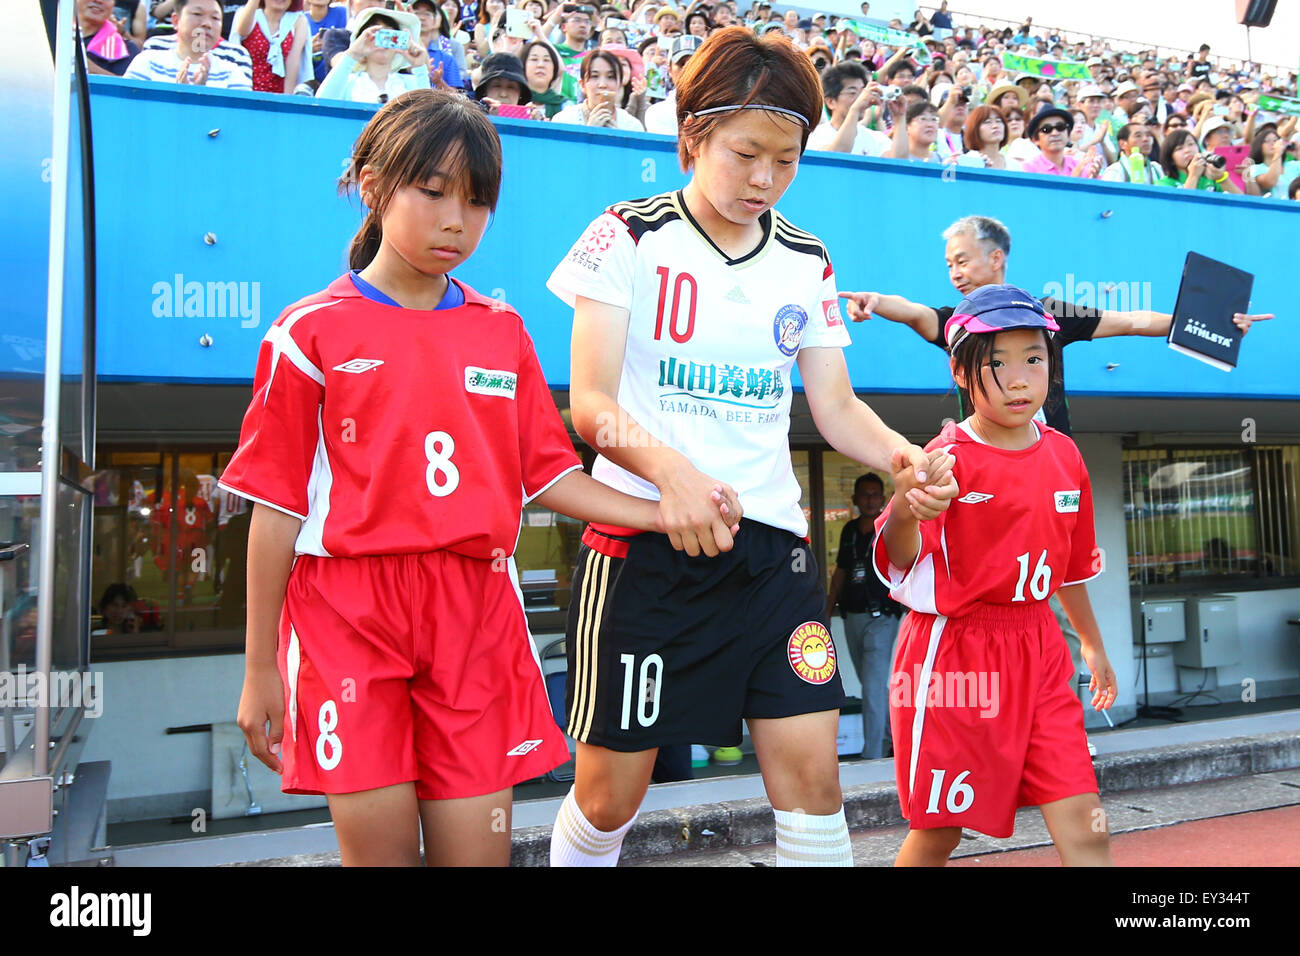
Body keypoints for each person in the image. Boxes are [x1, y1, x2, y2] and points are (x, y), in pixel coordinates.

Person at [226, 90, 728, 867]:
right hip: (348, 615)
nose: (456, 220)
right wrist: (260, 668)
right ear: (372, 184)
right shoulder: (308, 332)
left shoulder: (501, 332)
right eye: (432, 192)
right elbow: (275, 511)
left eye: (477, 200)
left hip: (473, 611)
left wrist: (666, 510)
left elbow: (547, 478)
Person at [545, 26, 957, 869]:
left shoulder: (807, 259)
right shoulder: (626, 235)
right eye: (745, 154)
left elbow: (837, 408)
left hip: (773, 561)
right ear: (693, 134)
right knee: (607, 799)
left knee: (815, 786)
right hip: (646, 554)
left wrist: (901, 457)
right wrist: (675, 479)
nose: (765, 180)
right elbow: (590, 404)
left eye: (787, 159)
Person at [875, 284, 1118, 866]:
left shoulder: (1066, 455)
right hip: (957, 655)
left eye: (1034, 359)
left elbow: (1069, 568)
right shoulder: (946, 455)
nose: (1018, 379)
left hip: (1041, 650)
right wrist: (909, 504)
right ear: (960, 371)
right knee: (941, 832)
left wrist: (1091, 643)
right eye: (997, 363)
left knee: (1087, 826)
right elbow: (902, 558)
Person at [838, 215, 1273, 436]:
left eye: (963, 260)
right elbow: (913, 311)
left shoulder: (1048, 313)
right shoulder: (958, 322)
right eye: (949, 263)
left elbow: (1132, 320)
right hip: (985, 454)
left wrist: (1210, 321)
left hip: (1049, 450)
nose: (955, 271)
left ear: (996, 258)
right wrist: (875, 302)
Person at [825, 473, 902, 760]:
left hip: (882, 617)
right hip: (852, 616)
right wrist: (827, 609)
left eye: (875, 494)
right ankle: (893, 739)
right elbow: (841, 572)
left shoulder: (891, 528)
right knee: (871, 683)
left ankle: (873, 757)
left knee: (871, 687)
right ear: (856, 499)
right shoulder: (849, 531)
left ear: (883, 499)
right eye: (865, 494)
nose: (870, 500)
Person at [127, 0, 253, 87]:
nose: (207, 24)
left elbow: (240, 120)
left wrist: (199, 95)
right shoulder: (147, 62)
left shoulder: (233, 73)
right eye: (197, 14)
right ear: (176, 21)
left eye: (215, 18)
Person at [316, 8, 431, 102]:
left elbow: (429, 113)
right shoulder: (349, 81)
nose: (382, 43)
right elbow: (323, 101)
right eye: (376, 36)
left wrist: (419, 67)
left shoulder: (409, 83)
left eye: (390, 36)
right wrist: (353, 54)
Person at [805, 61, 890, 157]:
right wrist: (855, 110)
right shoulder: (815, 136)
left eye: (862, 92)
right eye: (852, 92)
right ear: (831, 102)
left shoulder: (876, 138)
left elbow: (899, 162)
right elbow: (835, 158)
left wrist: (900, 117)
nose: (860, 98)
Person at [552, 49, 645, 130]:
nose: (602, 84)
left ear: (620, 84)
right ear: (582, 85)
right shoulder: (563, 120)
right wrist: (588, 134)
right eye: (594, 76)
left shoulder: (632, 126)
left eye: (610, 77)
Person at [232, 0, 310, 93]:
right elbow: (242, 31)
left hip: (278, 95)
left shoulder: (298, 20)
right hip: (246, 91)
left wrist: (286, 100)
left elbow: (293, 63)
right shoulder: (250, 14)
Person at [643, 34, 700, 135]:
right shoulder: (658, 113)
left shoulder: (722, 111)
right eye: (682, 64)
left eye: (695, 64)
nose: (688, 71)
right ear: (669, 69)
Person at [1155, 129, 1242, 193]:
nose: (1187, 150)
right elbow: (1183, 207)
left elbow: (1241, 202)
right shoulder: (1164, 183)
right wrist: (1193, 175)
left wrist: (1222, 178)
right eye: (1179, 148)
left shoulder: (1210, 177)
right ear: (1171, 159)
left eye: (1191, 144)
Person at [79, 0, 141, 76]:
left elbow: (127, 86)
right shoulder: (61, 36)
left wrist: (84, 66)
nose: (99, 1)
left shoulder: (126, 50)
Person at [962, 104, 1018, 170]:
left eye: (998, 121)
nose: (995, 126)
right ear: (975, 129)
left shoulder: (1013, 164)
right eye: (987, 122)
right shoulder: (967, 161)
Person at [521, 39, 567, 118]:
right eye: (534, 59)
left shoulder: (566, 107)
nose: (541, 65)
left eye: (546, 60)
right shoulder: (515, 101)